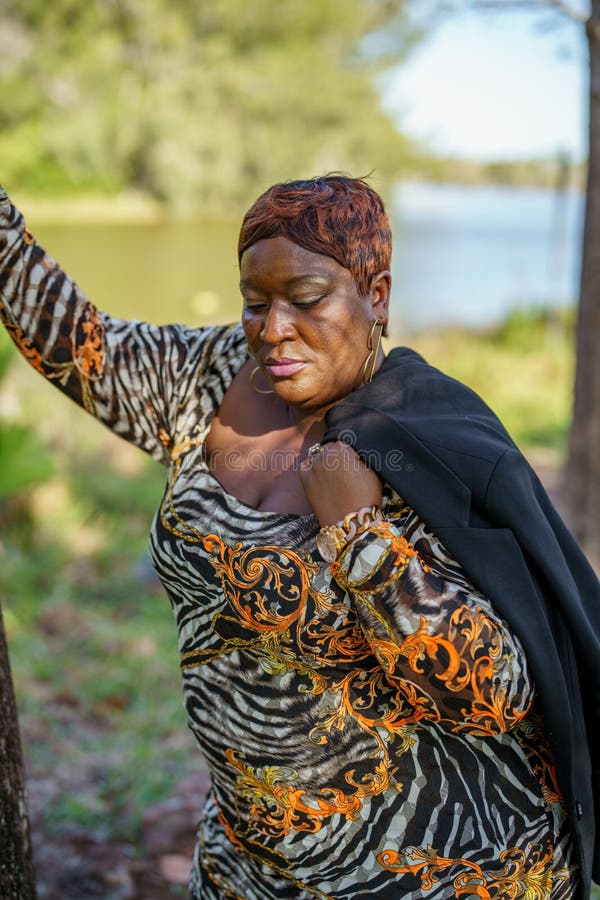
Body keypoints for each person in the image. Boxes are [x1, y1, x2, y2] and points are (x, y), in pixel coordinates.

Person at [0, 175, 598, 900]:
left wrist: (361, 541)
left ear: (376, 294)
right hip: (253, 862)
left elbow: (494, 695)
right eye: (256, 302)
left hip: (435, 866)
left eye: (307, 300)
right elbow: (74, 340)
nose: (274, 329)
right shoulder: (214, 373)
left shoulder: (425, 441)